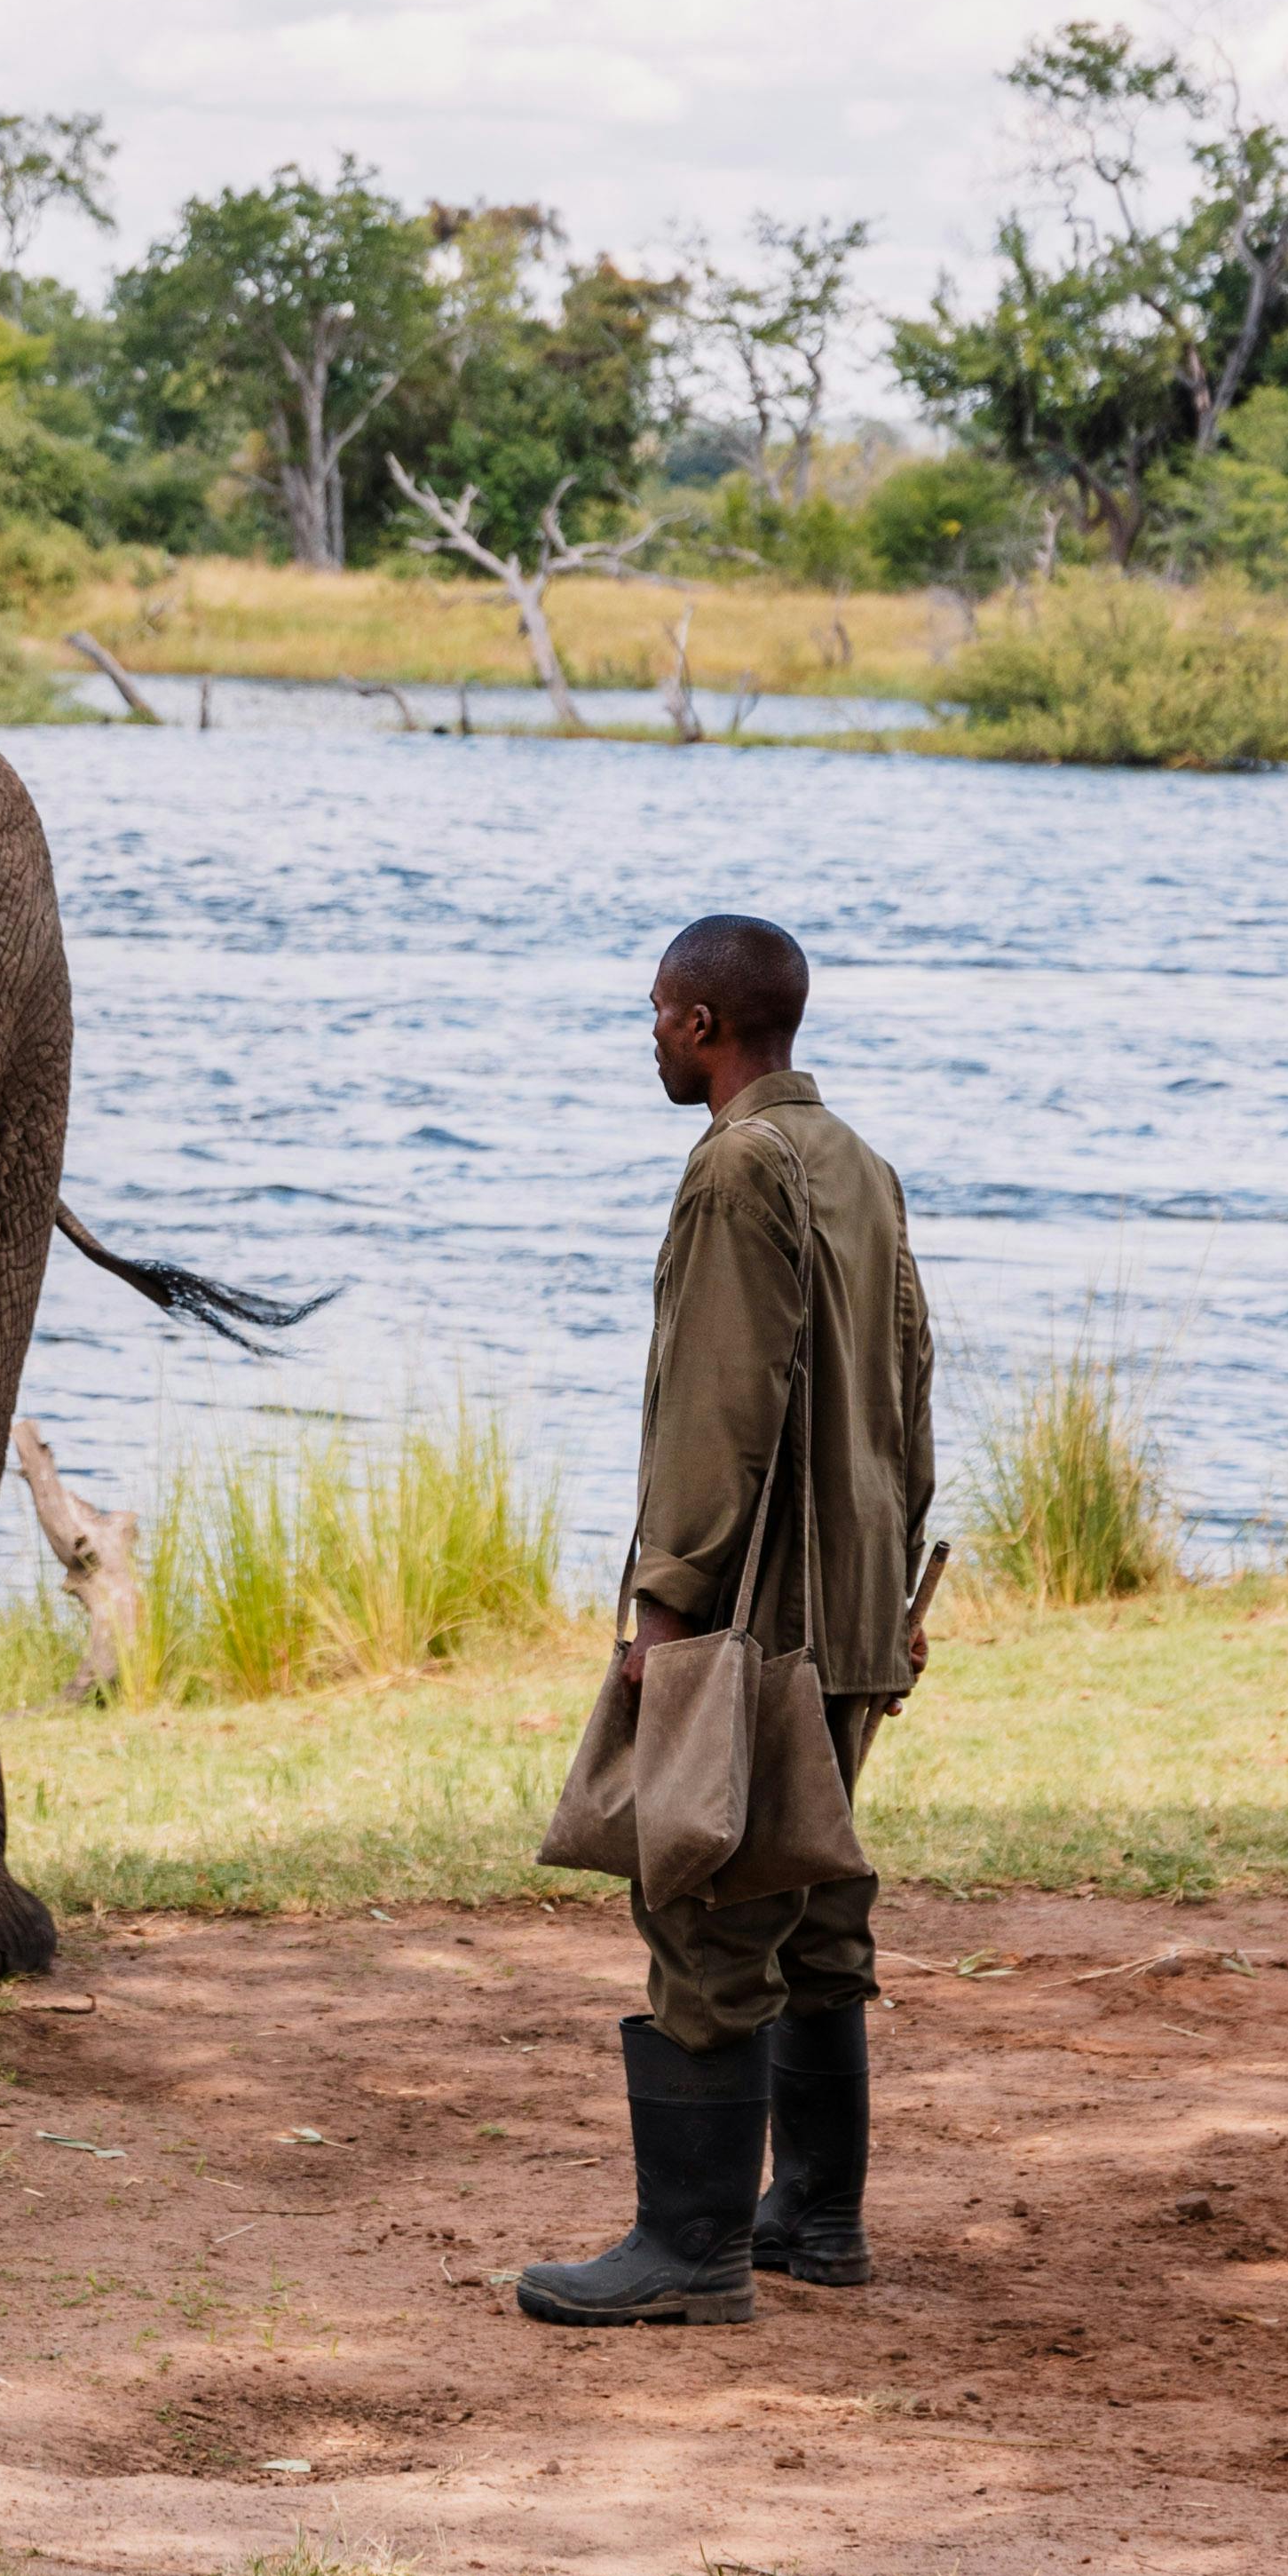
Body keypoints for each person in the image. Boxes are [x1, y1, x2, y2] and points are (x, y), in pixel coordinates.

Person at [518, 911, 935, 2330]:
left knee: (701, 1896)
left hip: (759, 1615)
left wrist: (662, 1612)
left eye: (654, 1014)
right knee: (813, 1897)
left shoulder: (734, 1169)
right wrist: (898, 1584)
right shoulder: (862, 1166)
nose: (648, 1033)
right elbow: (909, 1381)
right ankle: (816, 2218)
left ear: (703, 1027)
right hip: (858, 1604)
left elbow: (717, 1411)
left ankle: (689, 2248)